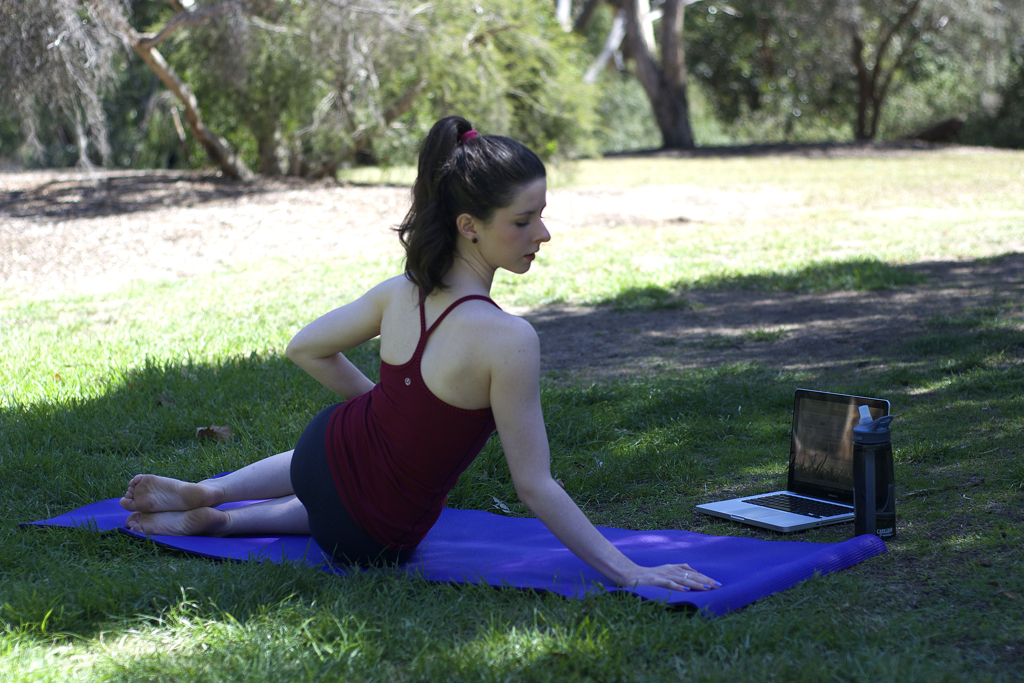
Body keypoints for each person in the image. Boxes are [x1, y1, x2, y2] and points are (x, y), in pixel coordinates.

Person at [120, 116, 720, 593]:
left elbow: (305, 348)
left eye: (542, 215)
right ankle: (221, 515)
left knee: (346, 466)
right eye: (524, 220)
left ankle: (217, 496)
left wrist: (380, 406)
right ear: (469, 225)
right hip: (372, 537)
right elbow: (534, 484)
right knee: (360, 508)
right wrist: (627, 570)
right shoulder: (509, 340)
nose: (543, 234)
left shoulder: (399, 294)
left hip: (319, 453)